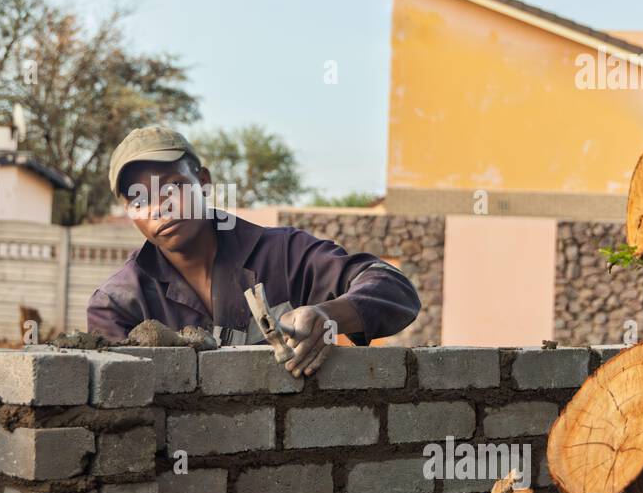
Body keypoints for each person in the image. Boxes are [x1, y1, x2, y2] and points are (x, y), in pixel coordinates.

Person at [87, 127, 421, 377]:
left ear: (203, 181)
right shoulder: (117, 303)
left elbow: (395, 289)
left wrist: (328, 315)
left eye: (173, 187)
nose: (160, 208)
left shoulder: (284, 254)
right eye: (139, 200)